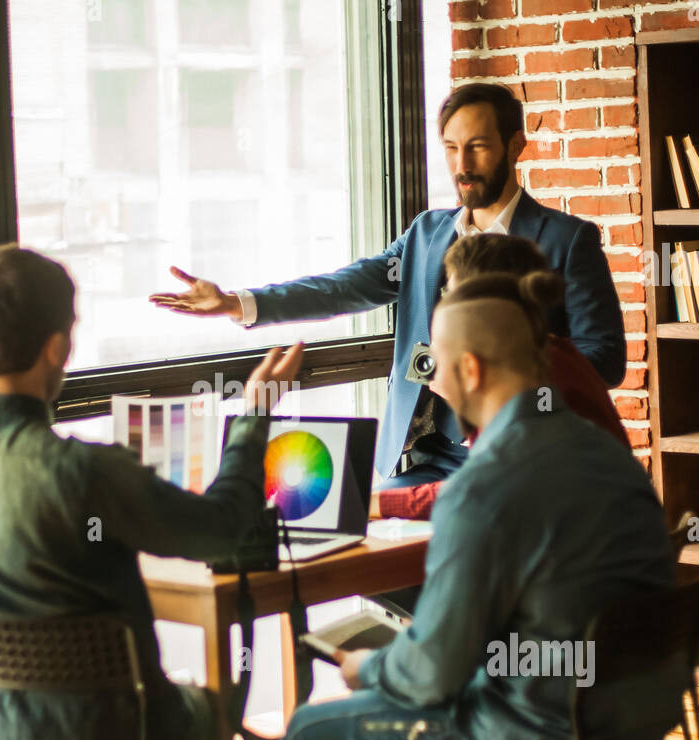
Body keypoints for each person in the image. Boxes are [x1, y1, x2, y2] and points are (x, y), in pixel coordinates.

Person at [0, 244, 304, 740]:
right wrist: (253, 416)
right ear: (58, 346)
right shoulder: (83, 472)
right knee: (206, 711)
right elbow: (221, 528)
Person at [282, 272, 675, 740]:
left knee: (307, 737)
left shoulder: (483, 487)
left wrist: (367, 667)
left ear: (470, 368)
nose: (431, 380)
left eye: (436, 364)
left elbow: (430, 674)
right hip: (630, 730)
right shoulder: (606, 453)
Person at [150, 82, 623, 488]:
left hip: (511, 457)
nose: (462, 164)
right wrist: (238, 303)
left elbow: (604, 359)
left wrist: (502, 373)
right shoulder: (426, 232)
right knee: (384, 573)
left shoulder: (567, 240)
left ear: (516, 145)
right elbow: (342, 288)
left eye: (478, 146)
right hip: (412, 456)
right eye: (451, 148)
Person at [372, 232, 629, 522]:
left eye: (452, 296)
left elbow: (483, 491)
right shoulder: (553, 353)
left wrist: (381, 504)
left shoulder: (527, 381)